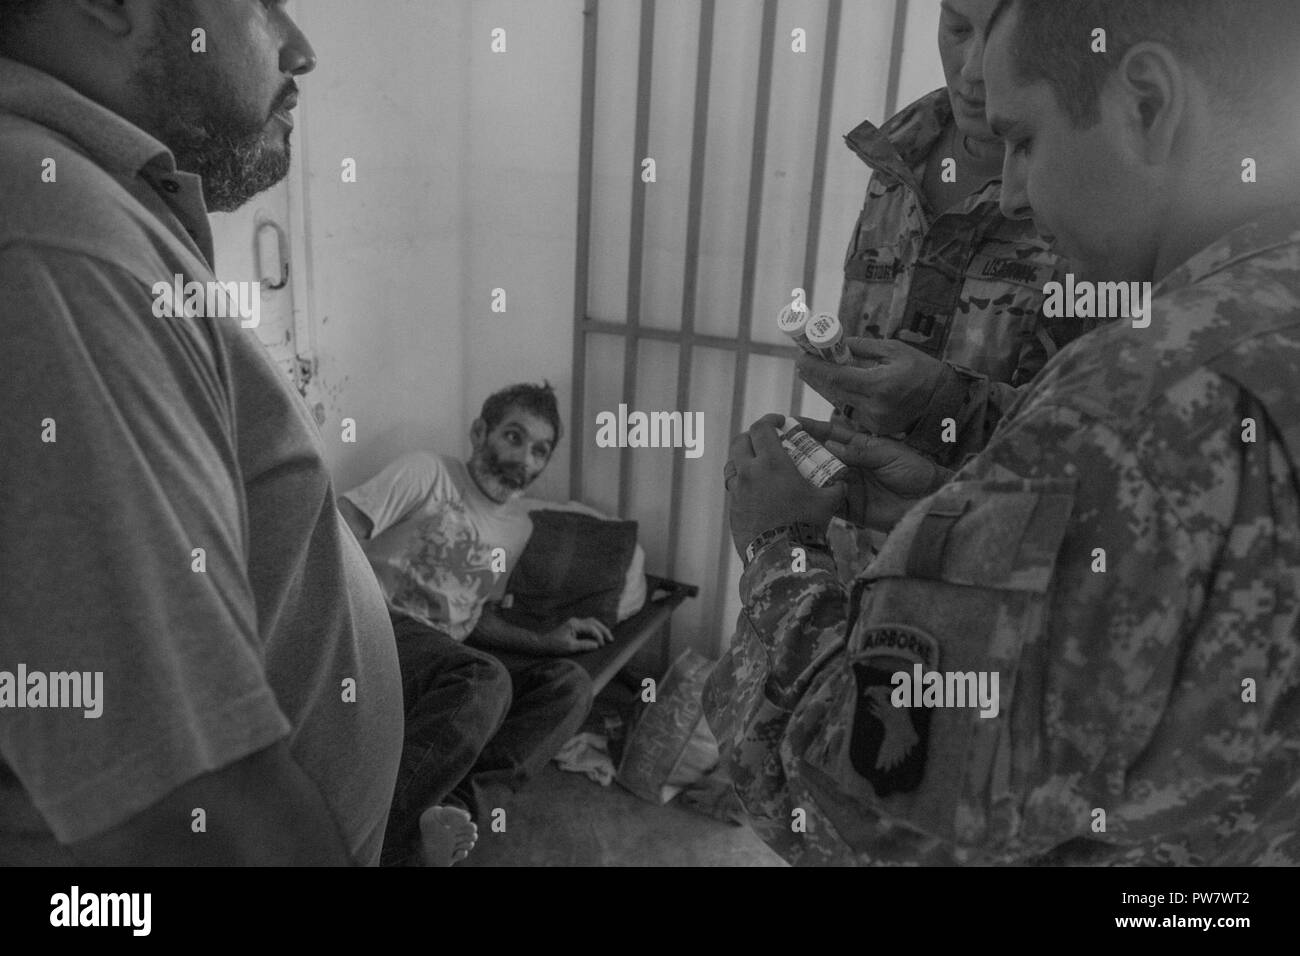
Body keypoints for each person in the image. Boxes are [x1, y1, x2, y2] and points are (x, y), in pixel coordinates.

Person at [708, 0, 1300, 866]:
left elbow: (863, 816)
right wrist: (967, 524)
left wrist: (779, 546)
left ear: (1146, 104)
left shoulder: (1126, 402)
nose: (1015, 188)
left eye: (1025, 142)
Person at [0, 0, 402, 864]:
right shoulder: (57, 240)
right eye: (264, 4)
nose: (302, 48)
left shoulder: (86, 208)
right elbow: (181, 815)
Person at [797, 0, 1084, 585]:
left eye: (1005, 34)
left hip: (990, 574)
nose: (973, 69)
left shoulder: (1086, 186)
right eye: (956, 28)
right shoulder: (897, 156)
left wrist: (940, 404)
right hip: (851, 553)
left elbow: (1094, 444)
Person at [339, 383, 607, 866]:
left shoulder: (518, 527)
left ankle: (454, 805)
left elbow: (472, 614)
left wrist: (544, 641)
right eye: (513, 437)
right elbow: (336, 531)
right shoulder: (427, 472)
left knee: (570, 685)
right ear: (479, 431)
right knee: (485, 678)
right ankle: (385, 847)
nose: (524, 460)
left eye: (540, 450)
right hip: (380, 632)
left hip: (447, 658)